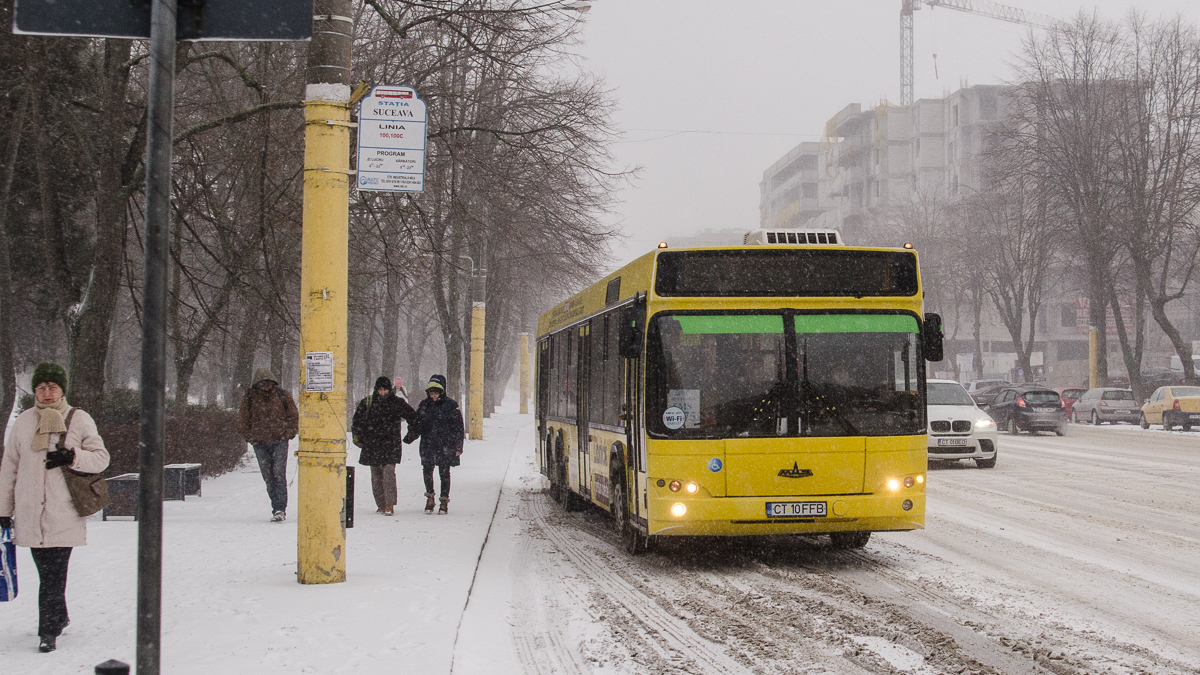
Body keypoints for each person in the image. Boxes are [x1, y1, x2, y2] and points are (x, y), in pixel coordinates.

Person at [0, 362, 110, 653]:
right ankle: (58, 617)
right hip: (30, 513)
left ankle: (47, 631)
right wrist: (2, 509)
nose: (47, 393)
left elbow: (101, 458)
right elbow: (9, 467)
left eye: (52, 387)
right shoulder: (24, 422)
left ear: (62, 389)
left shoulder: (79, 419)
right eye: (41, 387)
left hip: (64, 513)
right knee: (46, 572)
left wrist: (71, 457)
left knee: (53, 574)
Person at [236, 367, 299, 522]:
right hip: (260, 443)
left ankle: (279, 508)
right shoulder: (249, 398)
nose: (265, 386)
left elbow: (293, 416)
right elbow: (242, 421)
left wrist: (287, 434)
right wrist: (252, 438)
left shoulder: (282, 396)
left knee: (278, 474)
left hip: (279, 441)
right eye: (262, 384)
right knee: (268, 477)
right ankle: (276, 506)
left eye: (268, 383)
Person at [351, 376, 416, 516]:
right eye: (380, 389)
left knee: (388, 474)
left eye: (385, 389)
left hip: (390, 445)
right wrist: (360, 438)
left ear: (389, 389)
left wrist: (410, 436)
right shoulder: (367, 402)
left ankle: (389, 504)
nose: (382, 392)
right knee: (376, 476)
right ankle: (380, 504)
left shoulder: (397, 403)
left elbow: (414, 418)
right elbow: (357, 422)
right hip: (372, 445)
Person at [404, 374, 463, 515]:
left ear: (442, 392)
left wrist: (458, 446)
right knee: (427, 471)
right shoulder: (424, 405)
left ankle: (444, 501)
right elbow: (417, 423)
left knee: (444, 473)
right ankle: (430, 497)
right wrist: (411, 435)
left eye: (436, 393)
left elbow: (458, 427)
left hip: (445, 444)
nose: (434, 396)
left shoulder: (451, 406)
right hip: (428, 443)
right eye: (431, 393)